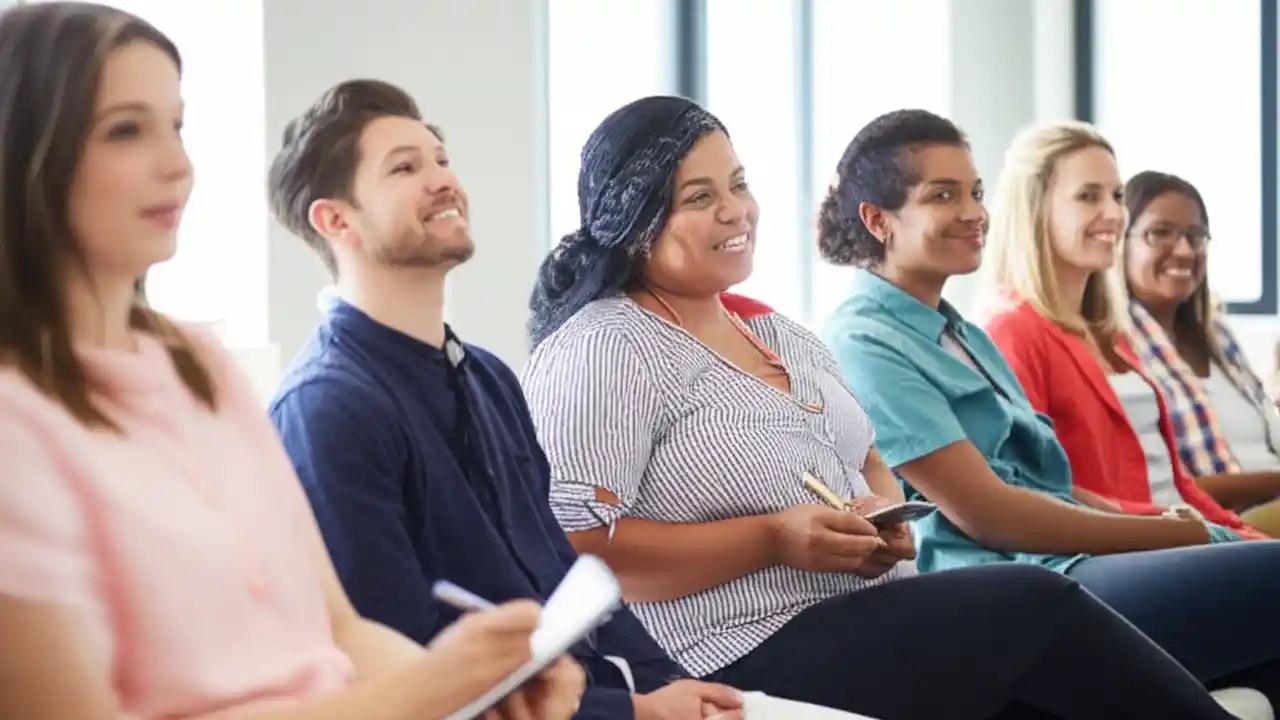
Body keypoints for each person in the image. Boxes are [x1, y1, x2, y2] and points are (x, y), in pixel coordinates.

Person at [520, 95, 1259, 720]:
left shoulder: (780, 334)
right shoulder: (608, 342)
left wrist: (879, 520)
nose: (736, 210)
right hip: (734, 644)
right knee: (1036, 607)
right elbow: (574, 544)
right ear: (634, 218)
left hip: (862, 611)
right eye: (699, 197)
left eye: (738, 184)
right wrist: (773, 539)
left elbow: (866, 459)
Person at [0, 3, 585, 720]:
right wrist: (430, 689)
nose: (178, 164)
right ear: (28, 153)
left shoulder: (200, 364)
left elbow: (338, 630)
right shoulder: (17, 423)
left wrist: (488, 693)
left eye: (177, 126)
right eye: (126, 130)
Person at [266, 79, 864, 720]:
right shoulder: (327, 409)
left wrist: (672, 685)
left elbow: (562, 572)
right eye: (405, 168)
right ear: (335, 220)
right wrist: (634, 711)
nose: (442, 180)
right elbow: (398, 661)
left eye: (440, 158)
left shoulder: (486, 378)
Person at [822, 108, 1280, 708]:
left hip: (1061, 558)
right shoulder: (863, 340)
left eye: (976, 193)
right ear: (878, 220)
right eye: (943, 195)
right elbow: (989, 514)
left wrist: (1170, 526)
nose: (973, 212)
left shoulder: (960, 333)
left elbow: (1051, 482)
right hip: (1009, 580)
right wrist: (1159, 533)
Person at [978, 122, 1262, 538]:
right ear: (1036, 210)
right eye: (1087, 196)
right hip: (1126, 549)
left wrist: (1241, 537)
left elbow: (1176, 483)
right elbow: (1034, 489)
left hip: (1178, 539)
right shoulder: (1013, 333)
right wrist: (1191, 533)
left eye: (1115, 195)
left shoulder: (1110, 334)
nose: (1113, 214)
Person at [1120, 170, 1280, 536]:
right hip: (1221, 525)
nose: (1185, 250)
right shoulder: (1115, 346)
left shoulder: (1218, 336)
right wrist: (1276, 482)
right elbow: (1167, 490)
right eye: (1160, 232)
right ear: (1120, 242)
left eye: (1195, 236)